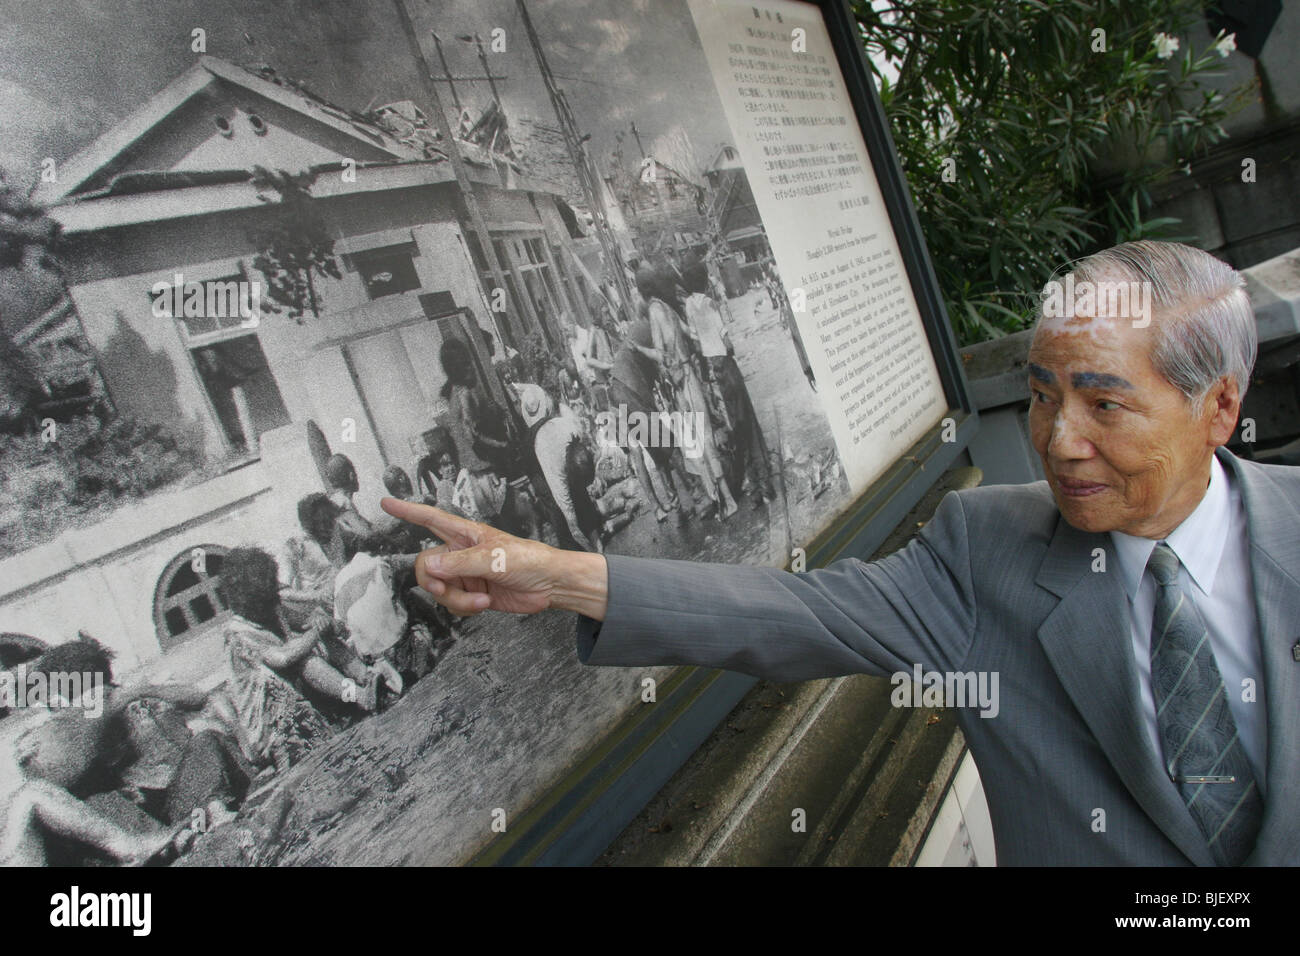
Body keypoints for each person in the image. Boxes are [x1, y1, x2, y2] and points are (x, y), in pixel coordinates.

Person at [382, 241, 1300, 866]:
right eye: (1042, 396)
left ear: (1219, 408)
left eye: (1104, 404)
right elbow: (793, 615)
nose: (1059, 440)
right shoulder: (990, 553)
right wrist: (549, 571)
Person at [680, 259, 775, 509]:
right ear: (703, 280)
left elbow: (694, 339)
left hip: (711, 372)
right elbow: (725, 338)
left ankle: (751, 488)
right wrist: (728, 351)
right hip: (725, 364)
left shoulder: (689, 306)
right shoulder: (710, 303)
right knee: (749, 424)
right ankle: (766, 486)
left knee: (735, 431)